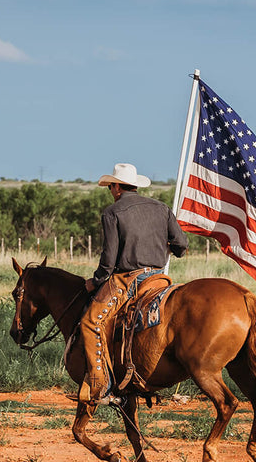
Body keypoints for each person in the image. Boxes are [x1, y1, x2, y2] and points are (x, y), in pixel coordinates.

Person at [79, 163, 188, 404]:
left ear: (117, 187)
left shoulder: (112, 212)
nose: (111, 190)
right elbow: (182, 245)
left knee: (91, 322)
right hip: (159, 278)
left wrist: (95, 281)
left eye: (111, 186)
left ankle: (101, 386)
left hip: (129, 279)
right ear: (135, 185)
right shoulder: (161, 208)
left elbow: (108, 261)